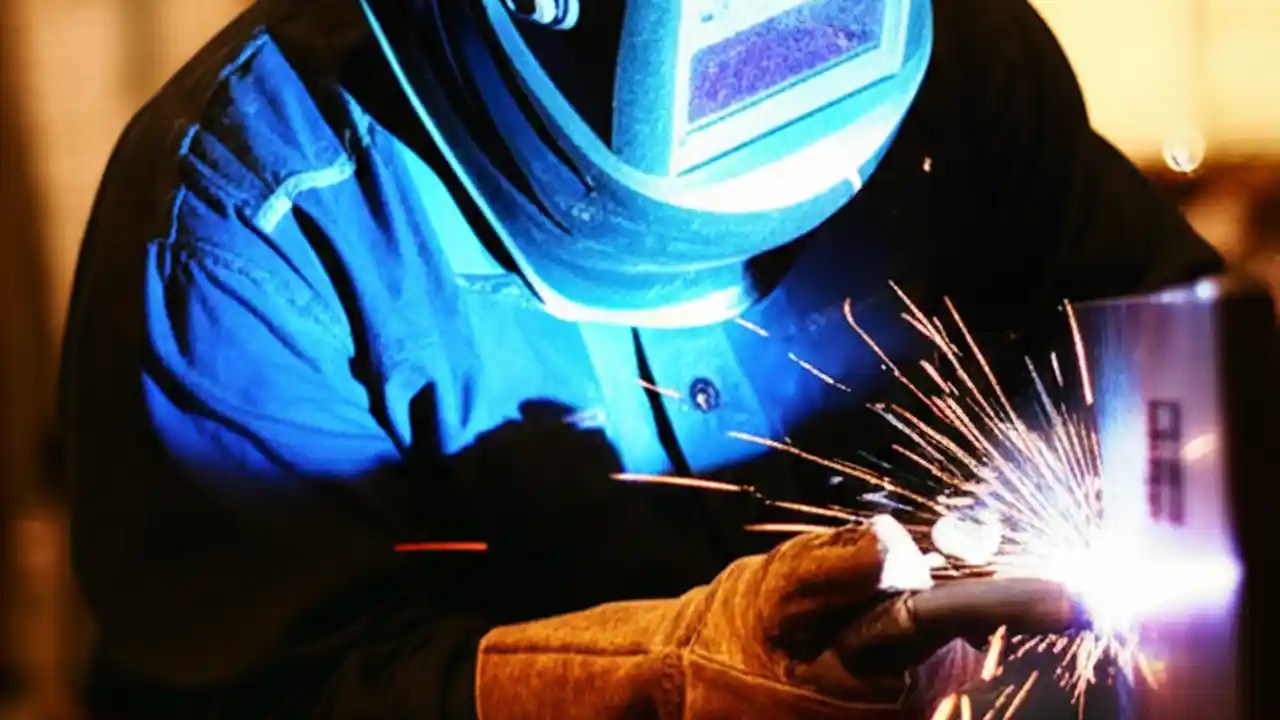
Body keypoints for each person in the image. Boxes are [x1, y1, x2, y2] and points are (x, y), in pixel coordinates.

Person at [59, 0, 1222, 717]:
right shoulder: (248, 223)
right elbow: (253, 698)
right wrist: (641, 680)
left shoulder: (957, 56)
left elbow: (1174, 353)